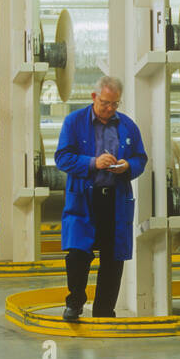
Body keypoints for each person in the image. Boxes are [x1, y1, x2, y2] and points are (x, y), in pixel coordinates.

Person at [53, 75, 148, 321]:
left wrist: (127, 165)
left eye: (115, 104)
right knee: (77, 255)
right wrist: (93, 162)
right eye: (105, 103)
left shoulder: (127, 126)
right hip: (85, 200)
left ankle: (104, 311)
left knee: (113, 259)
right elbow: (62, 157)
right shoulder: (74, 122)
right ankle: (74, 303)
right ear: (94, 97)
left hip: (115, 202)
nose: (110, 109)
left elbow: (141, 158)